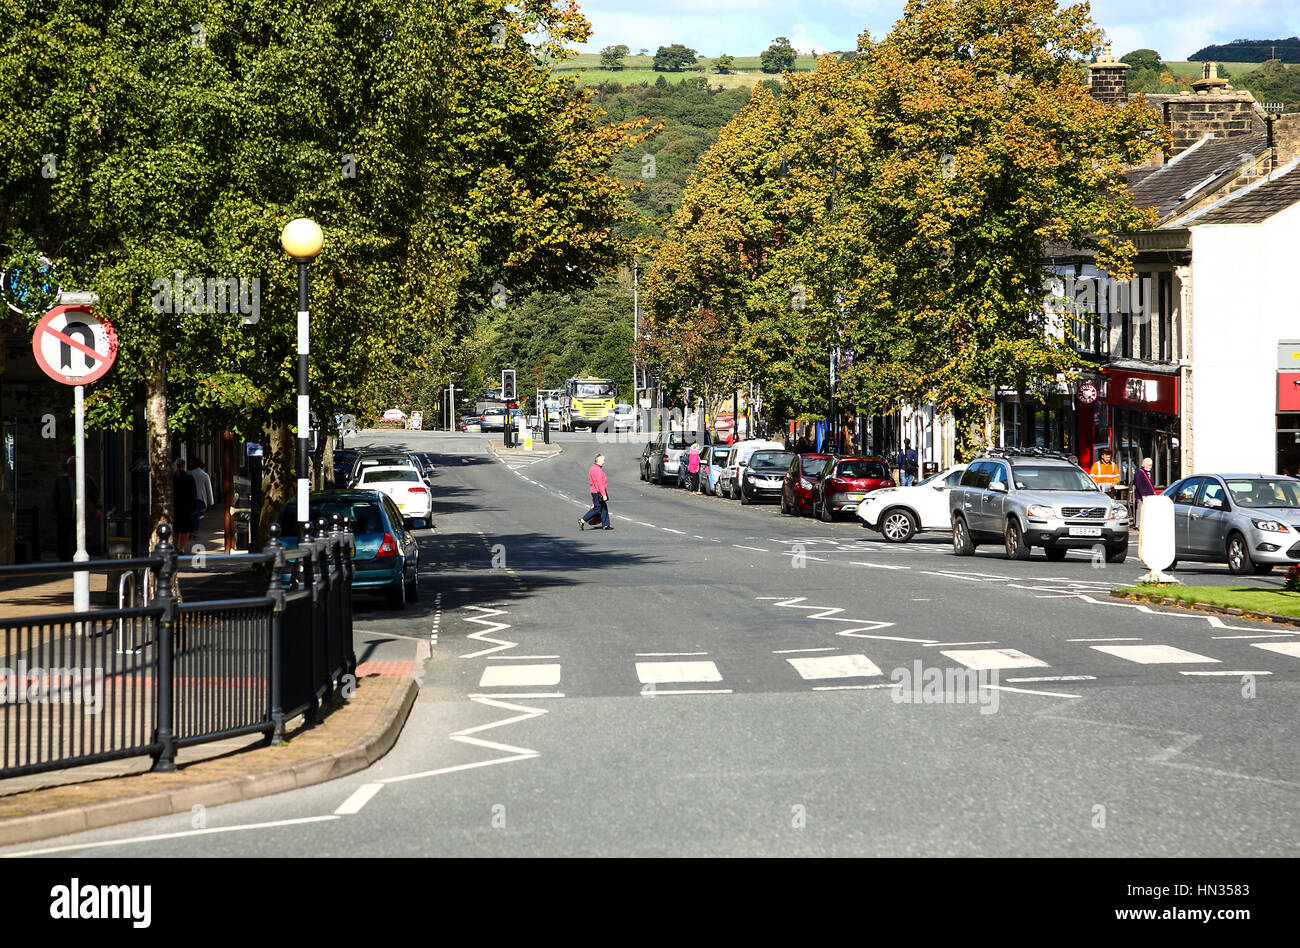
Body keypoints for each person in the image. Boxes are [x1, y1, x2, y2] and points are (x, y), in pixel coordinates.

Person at [53, 455, 102, 562]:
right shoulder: (61, 480)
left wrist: (97, 507)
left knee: (80, 536)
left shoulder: (86, 479)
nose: (73, 468)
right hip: (65, 513)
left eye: (75, 465)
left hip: (81, 514)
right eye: (71, 465)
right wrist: (55, 511)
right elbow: (56, 496)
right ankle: (64, 558)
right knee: (64, 536)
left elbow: (95, 493)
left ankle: (79, 556)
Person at [580, 454, 611, 530]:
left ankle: (606, 525)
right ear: (599, 461)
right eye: (603, 460)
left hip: (595, 492)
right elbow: (599, 484)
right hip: (598, 492)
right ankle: (582, 520)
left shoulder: (593, 468)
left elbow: (594, 483)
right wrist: (603, 494)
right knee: (597, 509)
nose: (604, 462)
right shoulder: (597, 470)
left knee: (604, 508)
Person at [173, 458, 198, 552]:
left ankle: (175, 547)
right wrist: (194, 506)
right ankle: (182, 548)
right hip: (186, 506)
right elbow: (193, 493)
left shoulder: (173, 477)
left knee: (176, 528)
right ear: (184, 466)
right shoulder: (189, 477)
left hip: (175, 505)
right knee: (185, 529)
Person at [190, 457, 214, 535]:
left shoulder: (189, 473)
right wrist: (211, 502)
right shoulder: (205, 475)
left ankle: (191, 530)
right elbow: (209, 489)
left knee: (191, 514)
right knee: (196, 515)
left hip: (190, 497)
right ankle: (195, 531)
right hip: (200, 498)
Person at [1134, 457, 1156, 525]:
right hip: (1142, 495)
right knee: (1140, 509)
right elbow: (1139, 485)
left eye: (1151, 465)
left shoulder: (1150, 473)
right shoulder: (1139, 473)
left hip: (1150, 494)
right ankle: (1138, 524)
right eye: (1149, 465)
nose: (1150, 467)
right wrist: (1143, 495)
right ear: (1144, 464)